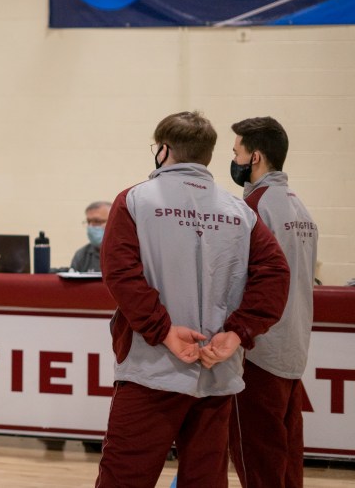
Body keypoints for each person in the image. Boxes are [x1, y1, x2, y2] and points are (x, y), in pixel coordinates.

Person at [95, 111, 290, 488]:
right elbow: (276, 276)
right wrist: (236, 334)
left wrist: (164, 331)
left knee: (125, 477)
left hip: (151, 368)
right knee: (205, 479)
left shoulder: (135, 200)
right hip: (217, 368)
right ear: (207, 155)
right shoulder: (239, 211)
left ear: (164, 150)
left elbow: (121, 274)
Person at [228, 117, 318, 488]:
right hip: (293, 349)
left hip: (259, 350)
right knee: (286, 463)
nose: (233, 159)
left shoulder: (252, 206)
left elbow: (241, 280)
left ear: (256, 157)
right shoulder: (302, 209)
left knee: (259, 463)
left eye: (236, 152)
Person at [69, 201, 111, 272]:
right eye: (89, 222)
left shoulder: (127, 252)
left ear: (113, 221)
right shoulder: (82, 255)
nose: (91, 226)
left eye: (97, 221)